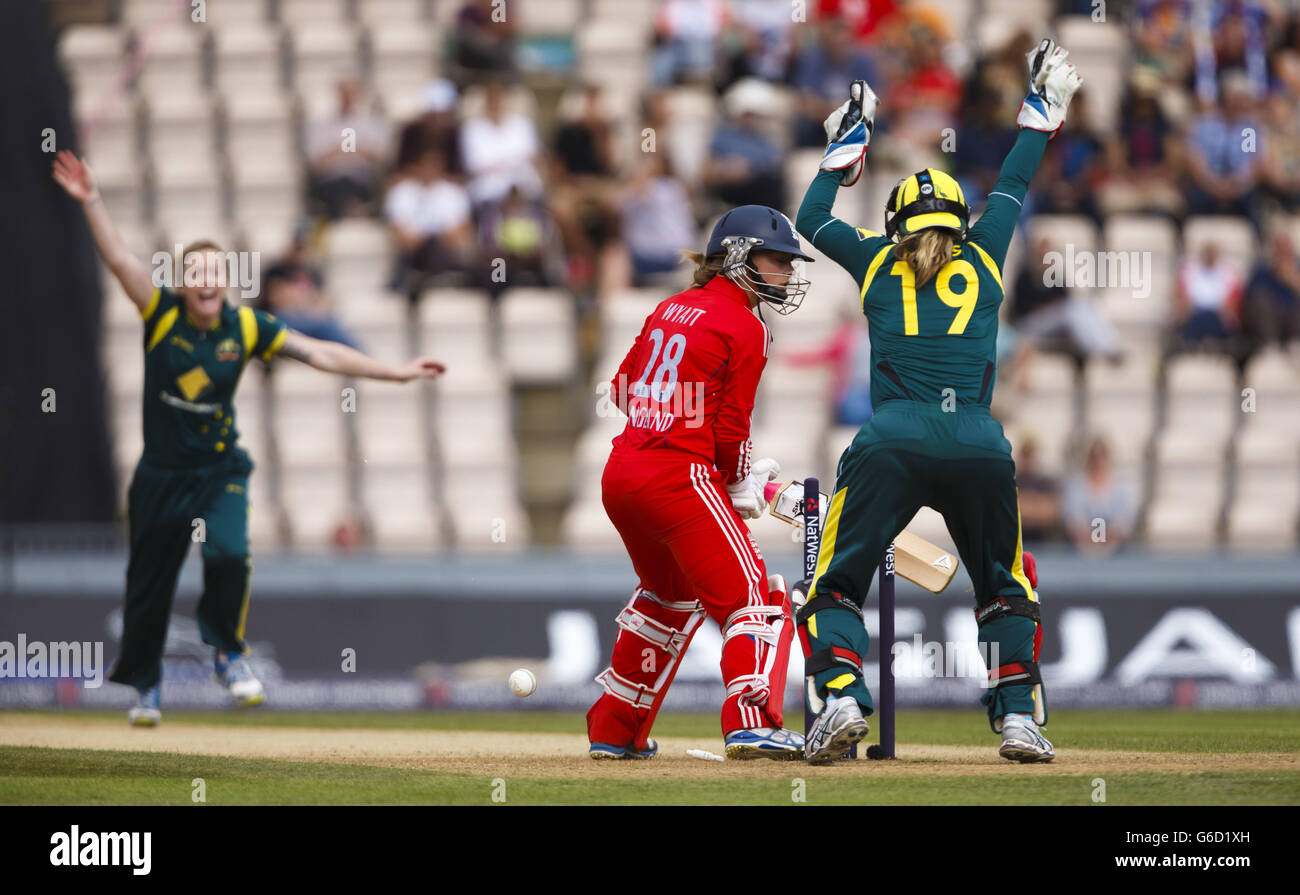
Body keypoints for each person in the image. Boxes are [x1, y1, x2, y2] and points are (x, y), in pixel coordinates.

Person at [52, 150, 446, 726]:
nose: (207, 282)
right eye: (197, 273)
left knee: (231, 553)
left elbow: (320, 352)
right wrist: (92, 200)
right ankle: (145, 685)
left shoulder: (245, 327)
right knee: (149, 583)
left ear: (226, 282)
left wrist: (393, 371)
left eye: (216, 273)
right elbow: (117, 259)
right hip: (161, 474)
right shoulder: (160, 313)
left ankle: (229, 655)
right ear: (184, 282)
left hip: (219, 469)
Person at [793, 40, 1082, 764]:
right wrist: (1039, 116)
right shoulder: (985, 249)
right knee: (1004, 586)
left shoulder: (874, 256)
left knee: (836, 583)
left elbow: (809, 217)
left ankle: (839, 700)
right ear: (959, 218)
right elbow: (1015, 177)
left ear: (895, 223)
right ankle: (1018, 717)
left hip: (891, 436)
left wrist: (845, 144)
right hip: (981, 442)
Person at [587, 205, 813, 761]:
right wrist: (737, 482)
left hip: (622, 475)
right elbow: (732, 424)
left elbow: (620, 390)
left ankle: (615, 730)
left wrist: (669, 418)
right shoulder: (746, 324)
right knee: (755, 597)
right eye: (776, 260)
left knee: (668, 597)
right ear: (737, 256)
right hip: (679, 477)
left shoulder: (669, 306)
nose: (786, 273)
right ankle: (752, 722)